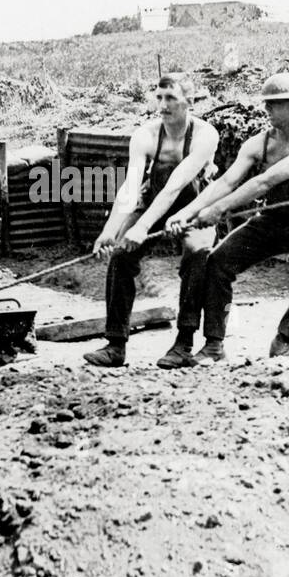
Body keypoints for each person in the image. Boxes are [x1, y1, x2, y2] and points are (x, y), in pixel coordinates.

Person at [164, 72, 289, 363]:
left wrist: (219, 210)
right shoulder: (259, 143)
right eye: (267, 103)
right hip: (271, 219)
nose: (267, 109)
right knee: (218, 262)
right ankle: (214, 344)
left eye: (275, 104)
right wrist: (187, 213)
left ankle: (283, 340)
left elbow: (265, 182)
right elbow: (226, 182)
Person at [82, 73, 220, 368]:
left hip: (195, 205)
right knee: (121, 255)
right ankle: (115, 344)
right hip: (154, 200)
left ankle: (184, 343)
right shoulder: (145, 135)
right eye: (159, 97)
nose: (163, 105)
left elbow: (177, 185)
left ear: (190, 102)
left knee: (198, 256)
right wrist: (110, 231)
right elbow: (131, 188)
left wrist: (142, 227)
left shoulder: (206, 135)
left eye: (171, 98)